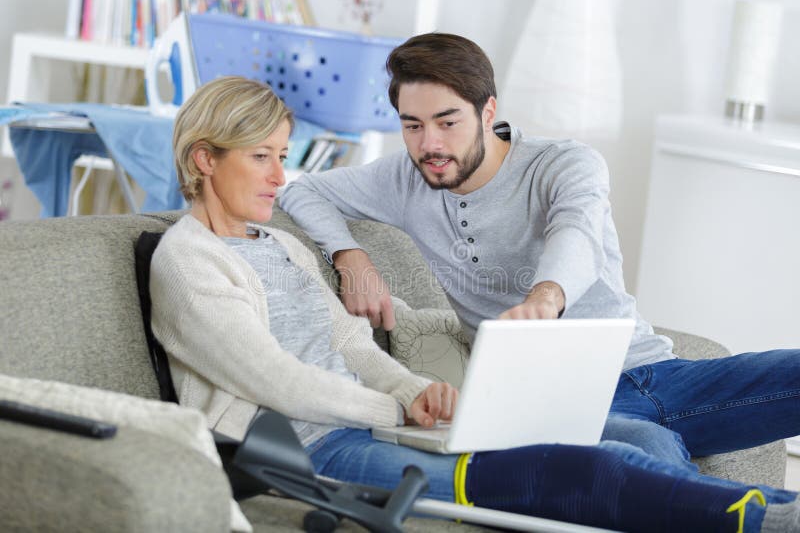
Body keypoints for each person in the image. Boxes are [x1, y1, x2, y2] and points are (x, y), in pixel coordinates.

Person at [148, 75, 800, 532]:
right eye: (261, 158)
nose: (279, 177)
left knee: (633, 438)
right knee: (573, 471)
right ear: (205, 158)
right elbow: (276, 381)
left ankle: (771, 511)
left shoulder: (280, 247)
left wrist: (416, 388)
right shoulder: (186, 260)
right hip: (307, 447)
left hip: (371, 420)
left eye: (282, 157)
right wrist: (399, 406)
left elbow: (347, 342)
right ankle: (761, 516)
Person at [280, 32, 800, 471]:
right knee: (648, 451)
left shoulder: (564, 165)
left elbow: (577, 233)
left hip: (650, 371)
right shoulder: (402, 179)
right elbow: (300, 190)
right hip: (550, 397)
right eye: (412, 126)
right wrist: (350, 255)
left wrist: (545, 298)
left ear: (488, 111)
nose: (429, 145)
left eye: (447, 121)